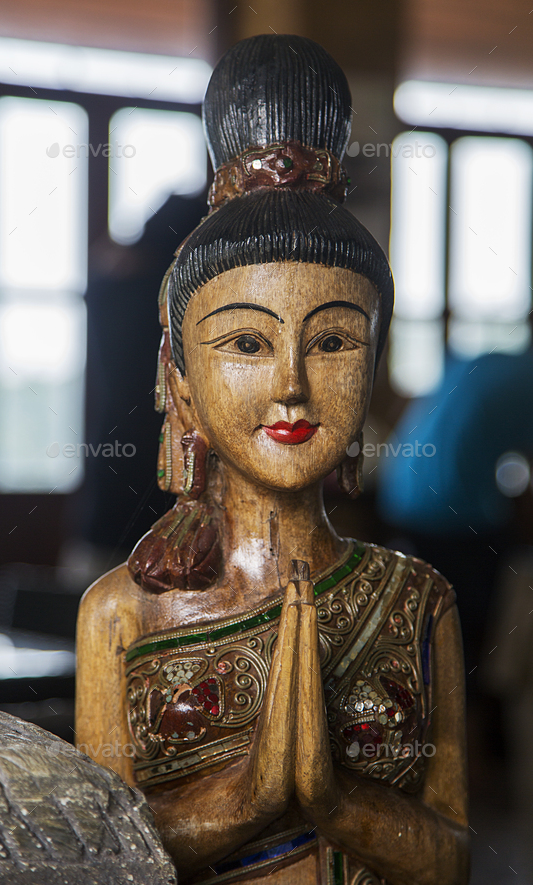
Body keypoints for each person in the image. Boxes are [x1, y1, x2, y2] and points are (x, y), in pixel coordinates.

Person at [75, 35, 468, 885]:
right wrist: (252, 799)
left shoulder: (418, 600)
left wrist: (337, 801)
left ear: (373, 361)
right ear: (179, 375)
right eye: (248, 341)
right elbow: (101, 859)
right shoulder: (122, 617)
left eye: (330, 340)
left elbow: (453, 856)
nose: (291, 385)